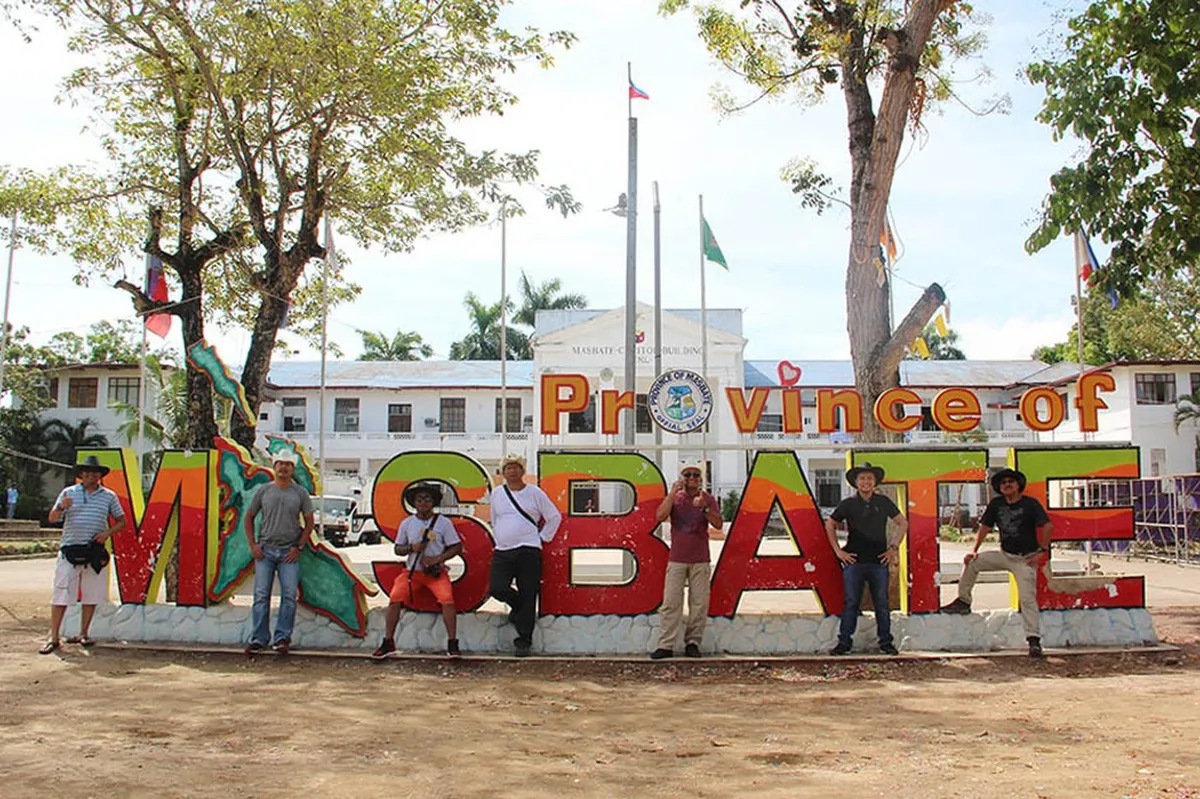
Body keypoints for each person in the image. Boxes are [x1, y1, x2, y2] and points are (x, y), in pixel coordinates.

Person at [941, 468, 1053, 658]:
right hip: (1004, 554)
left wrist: (1041, 552)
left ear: (1018, 485)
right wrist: (973, 551)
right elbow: (985, 527)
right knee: (973, 563)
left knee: (1027, 599)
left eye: (1011, 481)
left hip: (1025, 559)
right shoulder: (996, 504)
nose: (1007, 485)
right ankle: (963, 601)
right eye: (1003, 483)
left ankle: (1033, 640)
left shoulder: (1030, 504)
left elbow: (1047, 526)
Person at [40, 456, 127, 654]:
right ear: (81, 475)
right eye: (87, 473)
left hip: (94, 551)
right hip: (70, 549)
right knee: (61, 594)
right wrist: (62, 506)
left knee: (91, 595)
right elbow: (52, 518)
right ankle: (53, 637)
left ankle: (84, 633)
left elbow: (122, 521)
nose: (90, 477)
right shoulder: (68, 493)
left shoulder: (108, 496)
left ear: (100, 476)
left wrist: (107, 533)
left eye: (94, 474)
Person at [825, 462, 908, 656]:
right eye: (862, 478)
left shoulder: (883, 502)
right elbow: (830, 525)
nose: (866, 482)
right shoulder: (848, 504)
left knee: (882, 602)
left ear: (875, 482)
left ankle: (886, 642)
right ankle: (844, 642)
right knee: (851, 602)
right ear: (856, 482)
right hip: (854, 561)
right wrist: (838, 551)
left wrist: (894, 548)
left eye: (869, 478)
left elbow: (903, 523)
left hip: (879, 561)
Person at [373, 481, 463, 659]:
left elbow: (456, 547)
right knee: (394, 599)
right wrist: (412, 548)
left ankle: (452, 642)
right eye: (419, 499)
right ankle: (388, 641)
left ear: (433, 502)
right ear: (414, 502)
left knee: (447, 600)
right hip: (412, 573)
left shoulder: (443, 523)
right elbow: (398, 548)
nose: (423, 503)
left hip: (436, 572)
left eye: (427, 499)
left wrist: (438, 559)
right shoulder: (407, 523)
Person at [488, 454, 561, 657]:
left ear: (522, 471)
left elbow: (554, 516)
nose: (512, 471)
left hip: (528, 548)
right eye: (508, 468)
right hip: (503, 550)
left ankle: (524, 640)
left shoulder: (534, 493)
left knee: (529, 592)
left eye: (516, 468)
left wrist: (543, 537)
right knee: (497, 588)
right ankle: (518, 608)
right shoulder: (497, 494)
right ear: (503, 473)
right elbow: (495, 519)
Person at [243, 450, 314, 654]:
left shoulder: (300, 493)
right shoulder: (264, 491)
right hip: (265, 551)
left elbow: (309, 522)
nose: (284, 468)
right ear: (274, 467)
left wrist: (299, 546)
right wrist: (252, 545)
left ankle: (282, 638)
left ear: (293, 468)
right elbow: (249, 517)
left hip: (288, 553)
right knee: (261, 596)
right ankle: (258, 638)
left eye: (288, 465)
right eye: (280, 464)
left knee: (289, 596)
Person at [650, 464, 723, 660]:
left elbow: (718, 524)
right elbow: (659, 516)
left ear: (701, 478)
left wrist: (705, 508)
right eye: (687, 474)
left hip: (700, 559)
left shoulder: (707, 499)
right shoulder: (676, 499)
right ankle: (666, 644)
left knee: (699, 603)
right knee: (671, 602)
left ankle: (693, 642)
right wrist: (672, 494)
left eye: (695, 475)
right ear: (681, 477)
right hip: (677, 559)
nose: (691, 477)